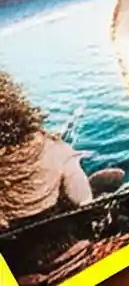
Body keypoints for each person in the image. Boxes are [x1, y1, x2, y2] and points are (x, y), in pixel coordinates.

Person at [0, 72, 93, 233]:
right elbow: (82, 198)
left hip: (14, 240)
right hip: (57, 229)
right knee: (112, 176)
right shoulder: (50, 146)